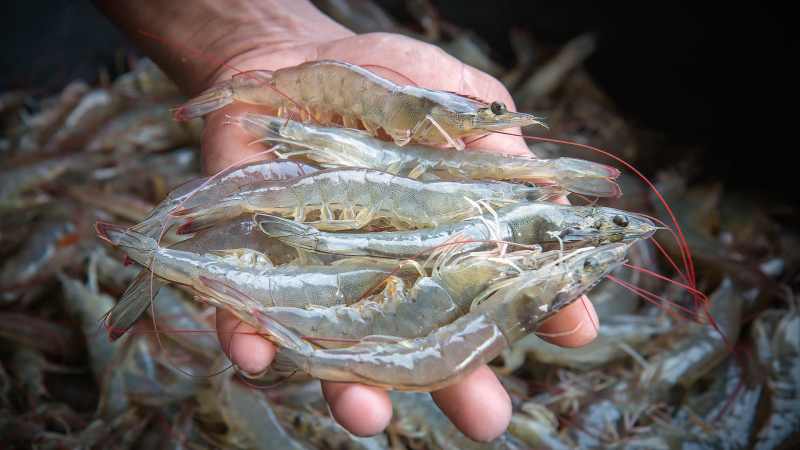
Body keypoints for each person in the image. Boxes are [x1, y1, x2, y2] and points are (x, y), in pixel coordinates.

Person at [93, 0, 600, 442]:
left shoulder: (433, 162)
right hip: (325, 169)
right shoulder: (401, 128)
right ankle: (163, 248)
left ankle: (165, 253)